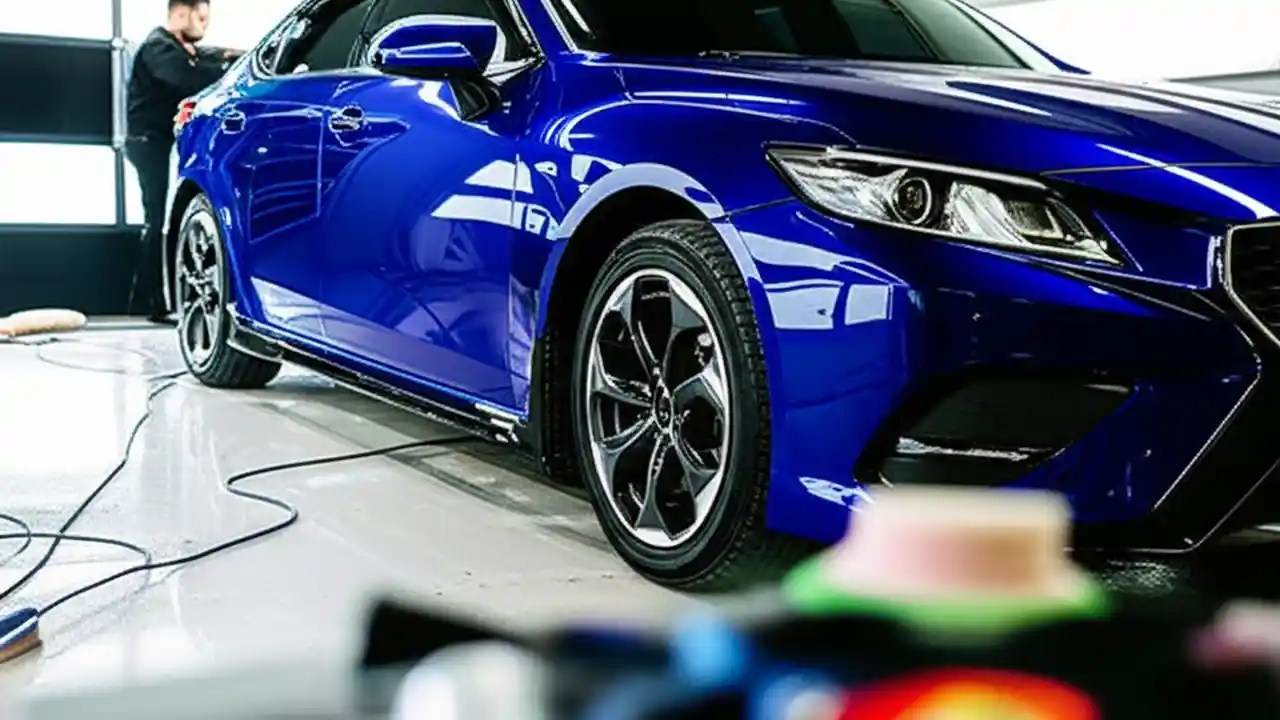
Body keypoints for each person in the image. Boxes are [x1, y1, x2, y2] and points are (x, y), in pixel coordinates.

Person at [126, 0, 243, 322]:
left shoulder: (178, 49)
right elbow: (185, 79)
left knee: (158, 220)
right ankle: (157, 302)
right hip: (150, 144)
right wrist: (229, 71)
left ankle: (146, 300)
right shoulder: (158, 47)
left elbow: (202, 58)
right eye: (201, 18)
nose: (205, 27)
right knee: (161, 221)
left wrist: (228, 55)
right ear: (182, 12)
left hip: (157, 143)